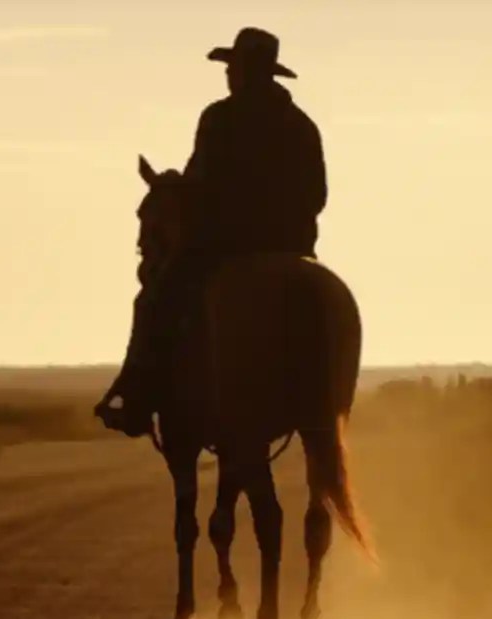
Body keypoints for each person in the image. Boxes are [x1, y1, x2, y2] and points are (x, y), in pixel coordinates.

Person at [95, 27, 328, 438]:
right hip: (295, 247)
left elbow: (200, 184)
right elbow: (318, 194)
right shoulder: (302, 126)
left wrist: (182, 193)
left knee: (153, 300)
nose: (229, 76)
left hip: (227, 246)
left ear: (243, 70)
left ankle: (135, 398)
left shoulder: (219, 118)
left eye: (233, 67)